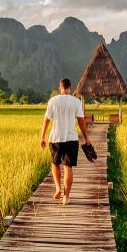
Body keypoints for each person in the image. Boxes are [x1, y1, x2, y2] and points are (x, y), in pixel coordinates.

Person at [39, 77, 91, 205]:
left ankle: (57, 188)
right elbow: (81, 121)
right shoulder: (76, 102)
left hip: (55, 138)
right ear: (70, 87)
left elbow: (46, 120)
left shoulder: (52, 101)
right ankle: (66, 197)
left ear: (60, 87)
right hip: (71, 139)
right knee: (68, 167)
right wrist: (86, 138)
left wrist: (43, 137)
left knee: (55, 163)